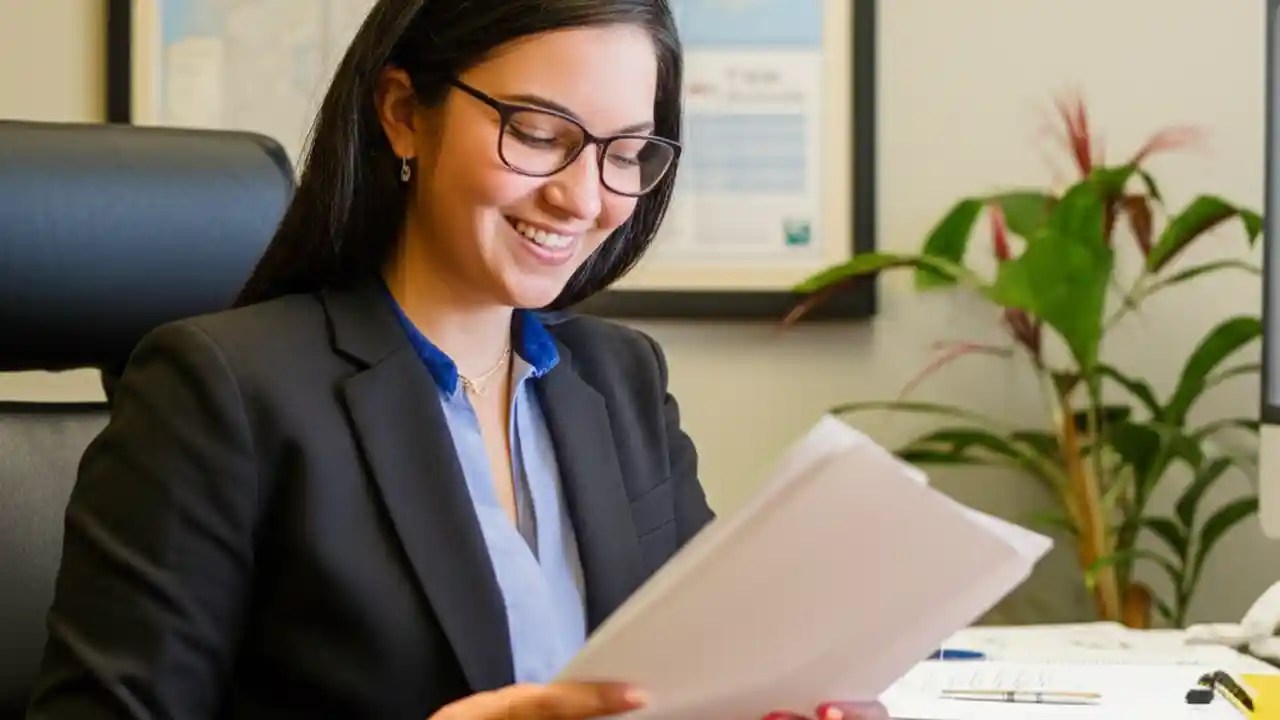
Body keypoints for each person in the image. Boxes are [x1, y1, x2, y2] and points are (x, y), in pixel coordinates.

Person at [26, 1, 886, 718]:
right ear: (403, 113)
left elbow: (702, 666)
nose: (583, 198)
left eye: (626, 155)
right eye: (540, 133)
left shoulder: (620, 382)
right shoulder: (223, 391)